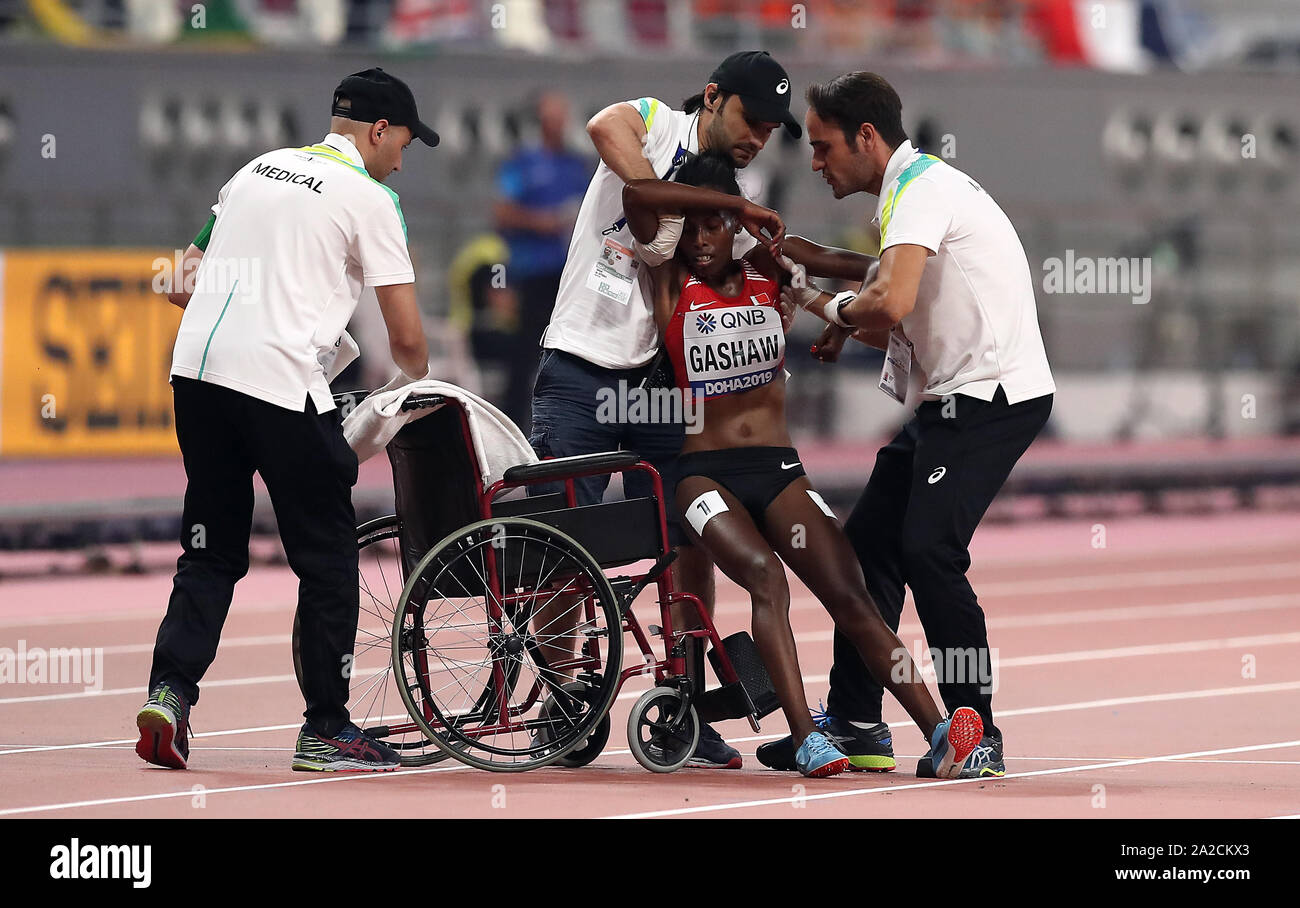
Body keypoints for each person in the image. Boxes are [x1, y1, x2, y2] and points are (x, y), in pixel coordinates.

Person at [622, 151, 985, 778]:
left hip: (778, 470)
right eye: (693, 223)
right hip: (703, 476)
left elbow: (862, 271)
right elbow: (636, 196)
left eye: (715, 226)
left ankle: (940, 734)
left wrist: (842, 308)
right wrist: (733, 207)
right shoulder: (671, 278)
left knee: (854, 596)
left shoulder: (767, 268)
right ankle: (807, 736)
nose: (703, 240)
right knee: (766, 575)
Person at [137, 68, 437, 773]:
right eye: (404, 145)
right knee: (329, 556)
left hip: (198, 377)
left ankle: (170, 693)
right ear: (379, 131)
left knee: (210, 549)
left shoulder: (256, 169)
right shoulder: (373, 197)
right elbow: (411, 345)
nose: (402, 160)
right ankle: (327, 730)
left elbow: (179, 283)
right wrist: (402, 394)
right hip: (278, 385)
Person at [757, 72, 1056, 778]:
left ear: (868, 136)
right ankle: (859, 719)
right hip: (952, 398)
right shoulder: (910, 192)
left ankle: (976, 730)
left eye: (826, 147)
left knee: (930, 551)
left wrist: (821, 306)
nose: (816, 162)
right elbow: (898, 305)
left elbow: (887, 302)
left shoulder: (920, 190)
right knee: (867, 551)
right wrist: (823, 284)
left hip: (992, 397)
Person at [527, 51, 799, 768]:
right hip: (581, 368)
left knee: (689, 539)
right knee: (567, 548)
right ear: (712, 98)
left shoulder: (736, 186)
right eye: (750, 119)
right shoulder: (654, 123)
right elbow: (600, 125)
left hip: (658, 386)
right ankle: (562, 698)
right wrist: (676, 207)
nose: (758, 138)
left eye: (772, 129)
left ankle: (685, 700)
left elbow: (749, 268)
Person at [492, 91, 592, 426]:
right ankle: (511, 429)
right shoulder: (520, 163)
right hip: (529, 273)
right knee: (523, 355)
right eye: (552, 117)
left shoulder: (576, 165)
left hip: (569, 277)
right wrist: (542, 222)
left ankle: (567, 424)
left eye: (562, 117)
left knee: (569, 354)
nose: (559, 124)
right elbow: (501, 215)